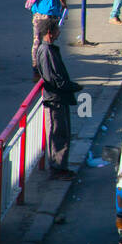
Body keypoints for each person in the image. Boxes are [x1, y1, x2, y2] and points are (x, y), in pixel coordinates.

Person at [34, 17, 80, 181]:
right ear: (50, 33)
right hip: (55, 99)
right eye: (57, 30)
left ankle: (61, 166)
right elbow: (54, 78)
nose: (60, 32)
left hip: (59, 97)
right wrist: (72, 86)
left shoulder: (48, 49)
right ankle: (57, 168)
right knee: (57, 134)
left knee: (62, 132)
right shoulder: (46, 51)